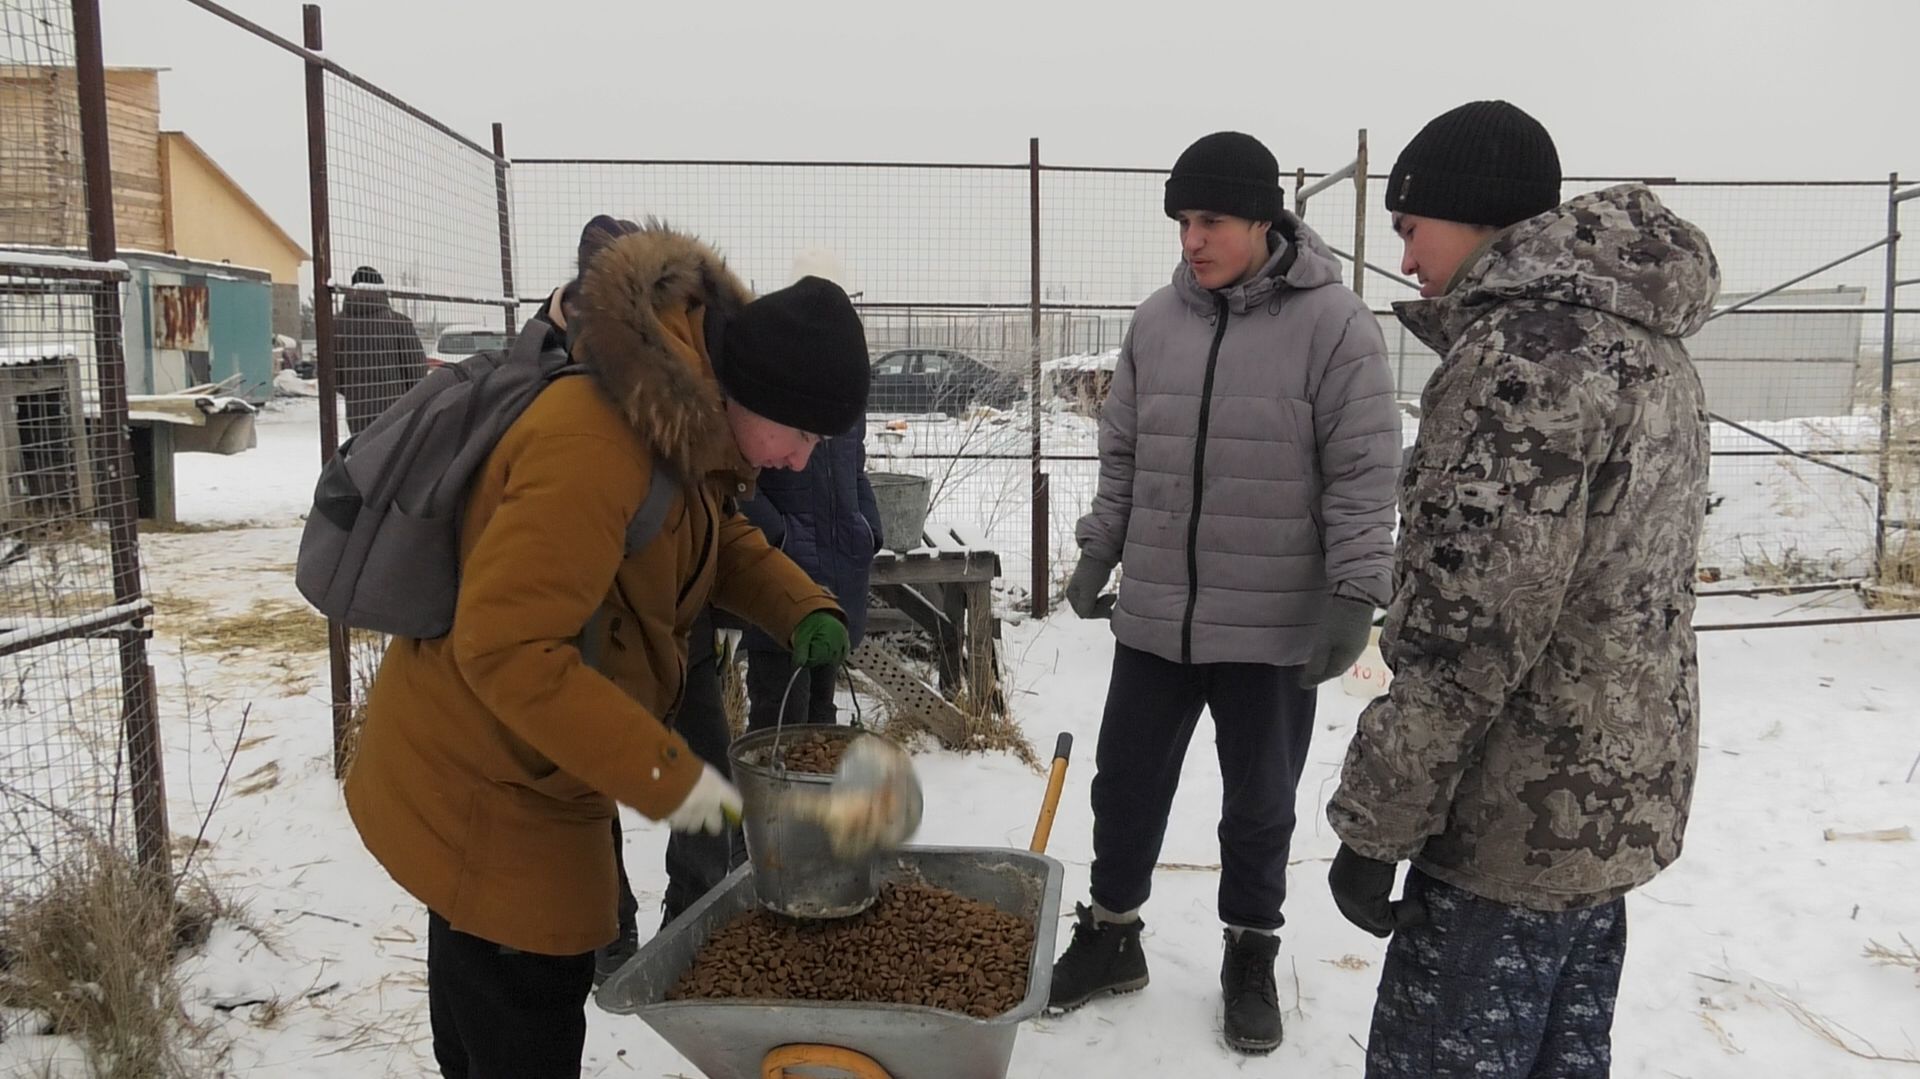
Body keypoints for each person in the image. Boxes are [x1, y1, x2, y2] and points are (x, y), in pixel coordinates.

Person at [343, 216, 872, 1078]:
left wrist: (799, 603)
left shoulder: (687, 415)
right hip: (486, 787)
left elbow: (705, 532)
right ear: (755, 397)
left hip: (536, 775)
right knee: (521, 1024)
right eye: (802, 437)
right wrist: (678, 782)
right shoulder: (594, 441)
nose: (801, 460)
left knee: (512, 1015)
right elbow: (510, 651)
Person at [1326, 100, 1720, 1079]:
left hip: (1506, 829)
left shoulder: (1522, 359)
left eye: (1411, 229)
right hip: (1603, 816)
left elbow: (1470, 630)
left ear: (1472, 215)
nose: (1406, 260)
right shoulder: (1651, 346)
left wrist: (1376, 822)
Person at [1048, 130, 1401, 1054]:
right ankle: (1112, 931)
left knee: (1258, 801)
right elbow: (1124, 452)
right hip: (1159, 611)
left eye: (1210, 220)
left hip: (1276, 618)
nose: (1191, 240)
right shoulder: (1156, 323)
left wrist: (1356, 591)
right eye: (1181, 221)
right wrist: (1099, 551)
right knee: (1123, 783)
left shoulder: (1335, 326)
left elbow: (1365, 471)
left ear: (1262, 219)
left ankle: (1251, 949)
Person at [735, 411, 883, 731]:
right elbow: (737, 475)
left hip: (836, 574)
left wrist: (868, 528)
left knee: (821, 714)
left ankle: (817, 780)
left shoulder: (844, 394)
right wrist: (777, 536)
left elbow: (855, 468)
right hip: (780, 576)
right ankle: (773, 781)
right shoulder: (777, 387)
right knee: (782, 715)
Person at [332, 265, 428, 436]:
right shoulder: (399, 322)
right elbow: (416, 369)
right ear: (381, 288)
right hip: (396, 407)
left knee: (362, 453)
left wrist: (354, 390)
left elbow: (333, 372)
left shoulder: (337, 324)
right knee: (394, 455)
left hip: (357, 407)